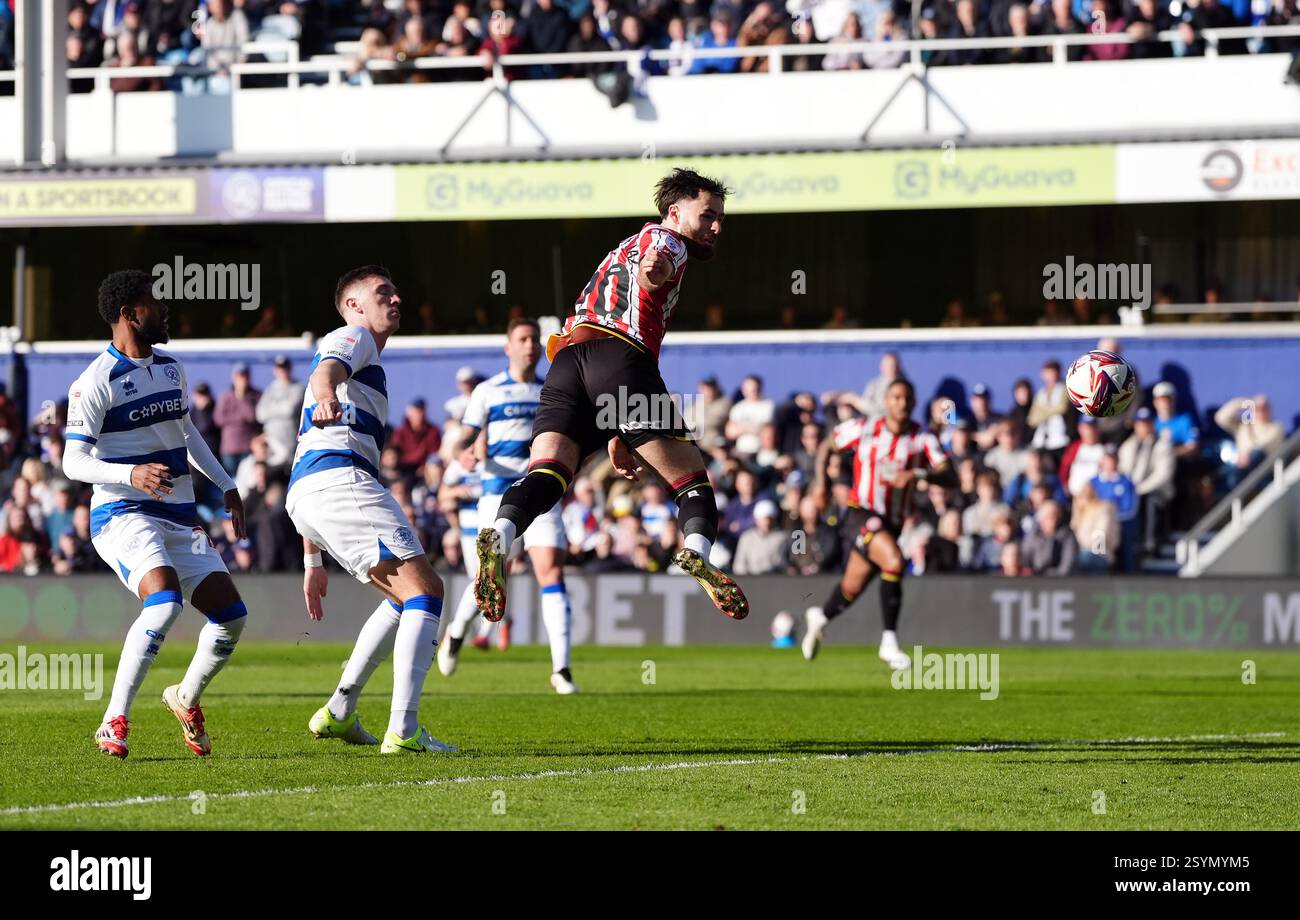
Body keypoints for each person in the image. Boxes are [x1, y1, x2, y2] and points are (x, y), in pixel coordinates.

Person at [473, 169, 749, 626]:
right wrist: (653, 272)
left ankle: (500, 536)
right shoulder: (668, 240)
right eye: (708, 216)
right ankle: (696, 554)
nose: (716, 227)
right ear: (676, 212)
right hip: (621, 358)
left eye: (720, 218)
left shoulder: (619, 248)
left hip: (567, 364)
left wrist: (618, 428)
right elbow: (656, 262)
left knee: (548, 475)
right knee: (693, 486)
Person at [63, 270, 249, 759]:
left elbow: (187, 434)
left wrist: (226, 484)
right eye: (155, 303)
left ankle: (185, 697)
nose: (165, 310)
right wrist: (130, 476)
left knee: (231, 618)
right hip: (123, 512)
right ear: (129, 314)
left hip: (179, 515)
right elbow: (71, 461)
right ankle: (113, 721)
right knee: (165, 603)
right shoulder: (94, 382)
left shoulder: (170, 367)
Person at [290, 266, 455, 755]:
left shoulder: (369, 364)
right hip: (339, 480)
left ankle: (340, 712)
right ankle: (404, 731)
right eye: (383, 291)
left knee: (405, 600)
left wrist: (312, 561)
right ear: (354, 305)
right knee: (427, 591)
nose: (396, 297)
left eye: (395, 290)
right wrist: (324, 398)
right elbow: (325, 373)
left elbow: (307, 453)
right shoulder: (354, 335)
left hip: (313, 491)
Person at [437, 318, 578, 694]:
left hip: (543, 493)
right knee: (494, 575)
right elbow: (462, 437)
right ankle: (457, 632)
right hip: (497, 494)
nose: (530, 345)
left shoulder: (554, 389)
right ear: (509, 347)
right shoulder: (488, 391)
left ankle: (561, 669)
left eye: (534, 339)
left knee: (551, 573)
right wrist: (463, 452)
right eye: (523, 339)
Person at [802, 379, 955, 670]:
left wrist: (919, 474)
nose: (902, 403)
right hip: (861, 512)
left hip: (893, 521)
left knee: (852, 586)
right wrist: (820, 483)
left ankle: (819, 617)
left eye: (907, 398)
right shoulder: (865, 428)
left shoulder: (922, 438)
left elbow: (951, 476)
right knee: (895, 561)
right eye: (896, 397)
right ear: (886, 401)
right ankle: (889, 642)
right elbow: (826, 446)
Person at [1119, 407, 1175, 554]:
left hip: (1156, 491)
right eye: (1140, 423)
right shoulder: (1128, 445)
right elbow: (1123, 470)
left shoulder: (1162, 445)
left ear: (1152, 425)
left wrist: (1140, 489)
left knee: (1151, 501)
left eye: (1146, 423)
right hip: (1132, 490)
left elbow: (1162, 475)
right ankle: (1126, 543)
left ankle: (1150, 543)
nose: (1143, 427)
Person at [214, 362, 261, 476]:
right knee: (231, 480)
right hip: (229, 448)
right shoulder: (225, 396)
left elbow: (252, 416)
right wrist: (240, 418)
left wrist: (242, 397)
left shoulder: (256, 395)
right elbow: (219, 419)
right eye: (239, 376)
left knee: (247, 479)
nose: (242, 379)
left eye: (244, 376)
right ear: (234, 377)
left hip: (247, 447)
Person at [255, 355, 300, 471]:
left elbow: (289, 410)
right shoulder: (270, 389)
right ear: (275, 370)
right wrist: (281, 407)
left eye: (285, 368)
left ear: (290, 369)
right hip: (271, 442)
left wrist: (270, 408)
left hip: (291, 442)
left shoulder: (299, 387)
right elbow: (260, 414)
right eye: (280, 368)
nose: (282, 371)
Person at [1020, 500, 1078, 574]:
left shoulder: (1068, 536)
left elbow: (1067, 566)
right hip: (1034, 580)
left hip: (1058, 581)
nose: (1053, 520)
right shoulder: (1033, 535)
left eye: (1055, 516)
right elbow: (1025, 558)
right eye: (1048, 517)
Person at [390, 397, 443, 477]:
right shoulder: (400, 432)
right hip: (402, 470)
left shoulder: (433, 431)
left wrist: (424, 466)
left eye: (421, 410)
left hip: (424, 470)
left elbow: (434, 453)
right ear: (408, 412)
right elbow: (395, 452)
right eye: (416, 410)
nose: (419, 414)